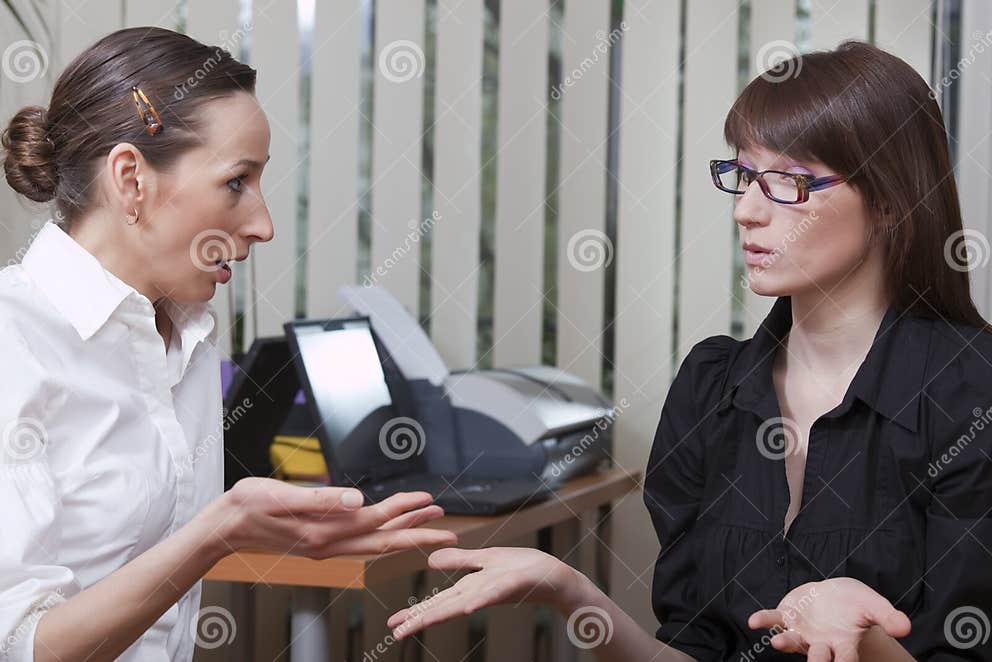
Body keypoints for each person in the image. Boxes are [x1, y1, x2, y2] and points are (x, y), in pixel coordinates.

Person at [386, 41, 992, 661]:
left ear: (888, 200)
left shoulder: (971, 393)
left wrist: (862, 640)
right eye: (743, 175)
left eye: (786, 180)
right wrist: (569, 590)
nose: (746, 211)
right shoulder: (711, 387)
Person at [0, 27, 455, 662]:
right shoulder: (12, 344)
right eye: (237, 181)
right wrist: (216, 532)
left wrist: (273, 530)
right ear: (131, 179)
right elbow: (23, 646)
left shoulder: (184, 333)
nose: (263, 225)